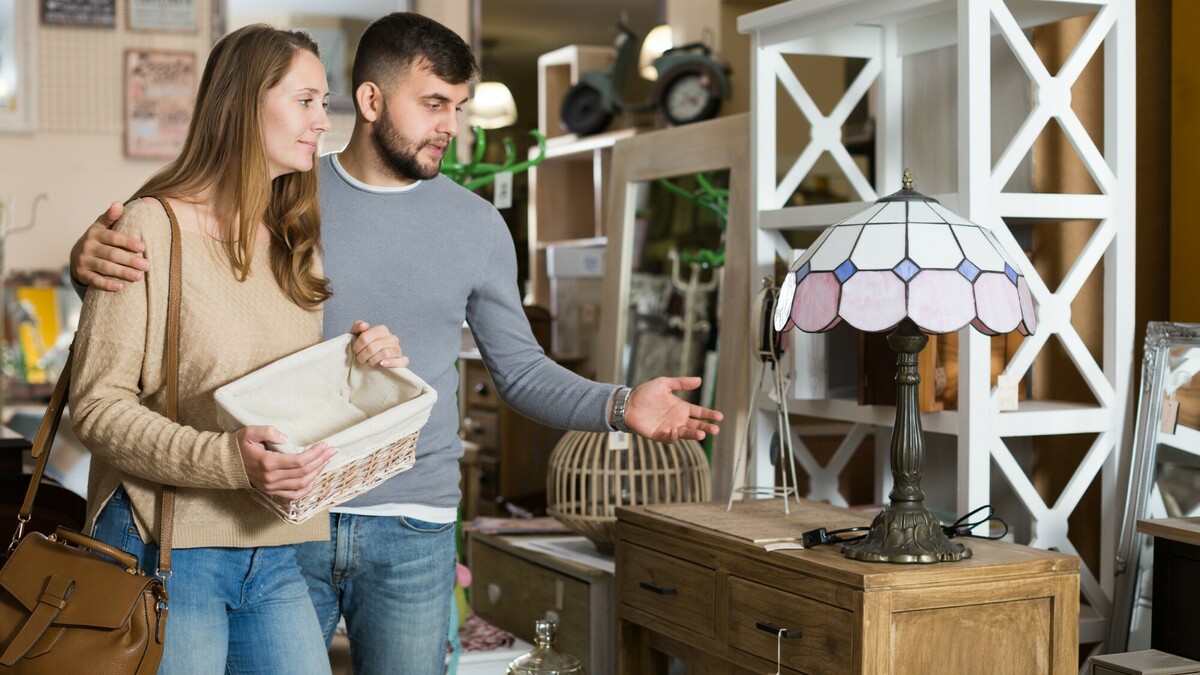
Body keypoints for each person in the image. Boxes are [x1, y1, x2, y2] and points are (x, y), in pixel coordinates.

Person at [70, 12, 724, 675]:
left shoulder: (462, 224)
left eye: (458, 106)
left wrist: (619, 405)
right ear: (372, 100)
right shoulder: (287, 196)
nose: (450, 124)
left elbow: (519, 370)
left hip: (403, 520)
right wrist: (93, 261)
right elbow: (183, 275)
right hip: (278, 515)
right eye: (434, 103)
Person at [68, 24, 404, 673]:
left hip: (272, 553)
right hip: (162, 546)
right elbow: (98, 408)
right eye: (306, 100)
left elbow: (276, 401)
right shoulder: (149, 227)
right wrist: (230, 460)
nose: (321, 121)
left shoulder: (290, 244)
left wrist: (360, 369)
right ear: (247, 103)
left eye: (324, 101)